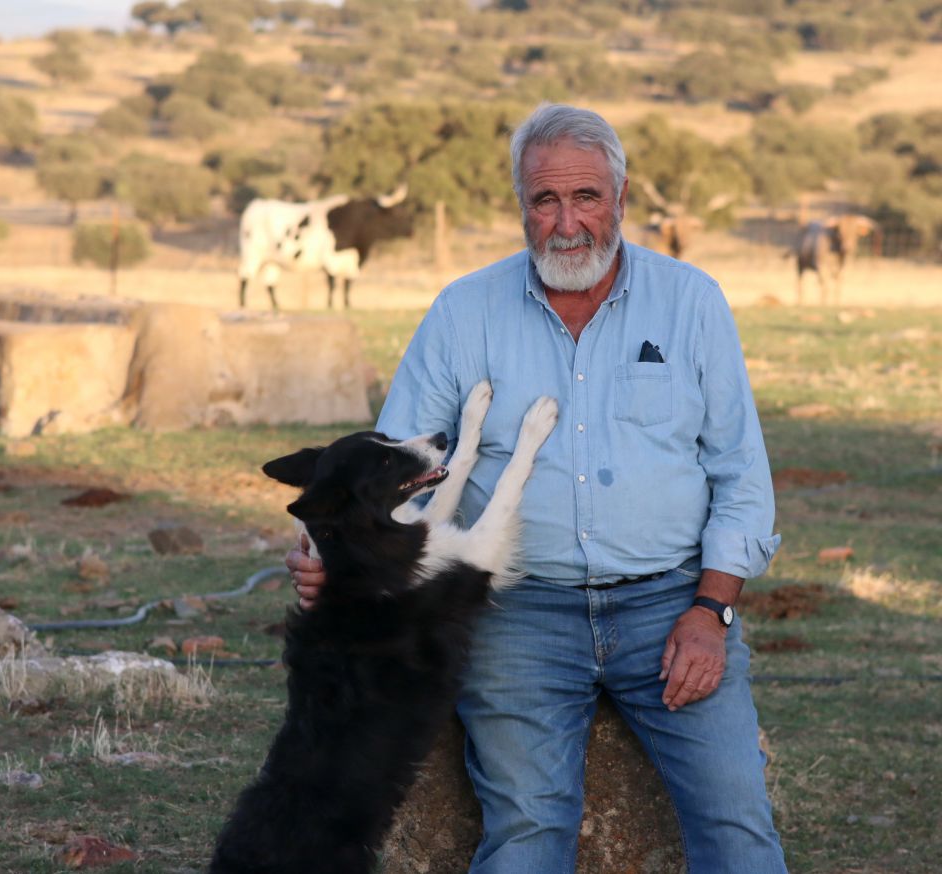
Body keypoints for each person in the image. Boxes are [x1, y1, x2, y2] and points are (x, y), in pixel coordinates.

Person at [285, 103, 787, 873]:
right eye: (544, 200)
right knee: (526, 833)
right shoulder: (464, 311)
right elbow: (388, 473)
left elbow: (740, 475)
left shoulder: (691, 303)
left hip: (671, 603)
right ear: (521, 205)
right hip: (514, 608)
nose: (565, 223)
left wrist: (712, 610)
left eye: (585, 197)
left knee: (739, 827)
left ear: (620, 200)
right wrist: (331, 552)